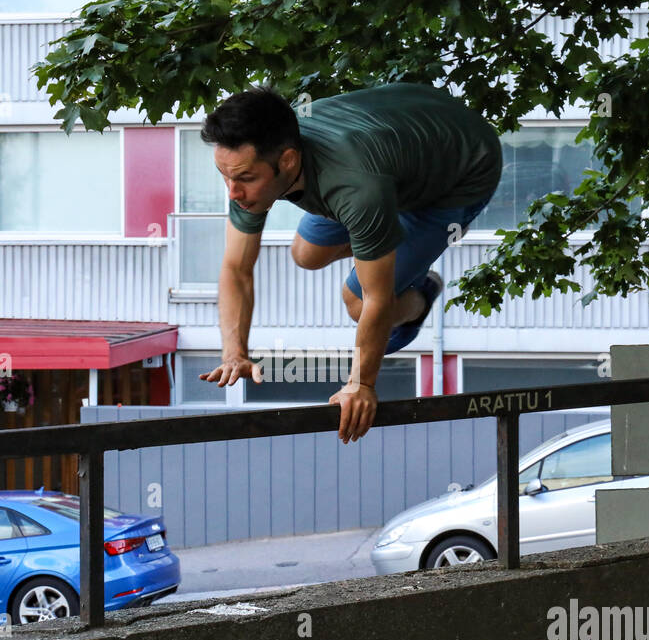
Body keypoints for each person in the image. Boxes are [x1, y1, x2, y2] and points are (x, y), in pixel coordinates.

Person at [198, 82, 502, 443]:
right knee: (306, 254)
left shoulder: (356, 188)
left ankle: (419, 297)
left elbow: (375, 298)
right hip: (397, 145)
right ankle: (380, 242)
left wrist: (360, 384)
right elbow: (236, 268)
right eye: (225, 176)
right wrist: (235, 353)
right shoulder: (256, 157)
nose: (233, 193)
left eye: (246, 178)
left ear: (289, 160)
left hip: (459, 172)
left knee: (357, 301)